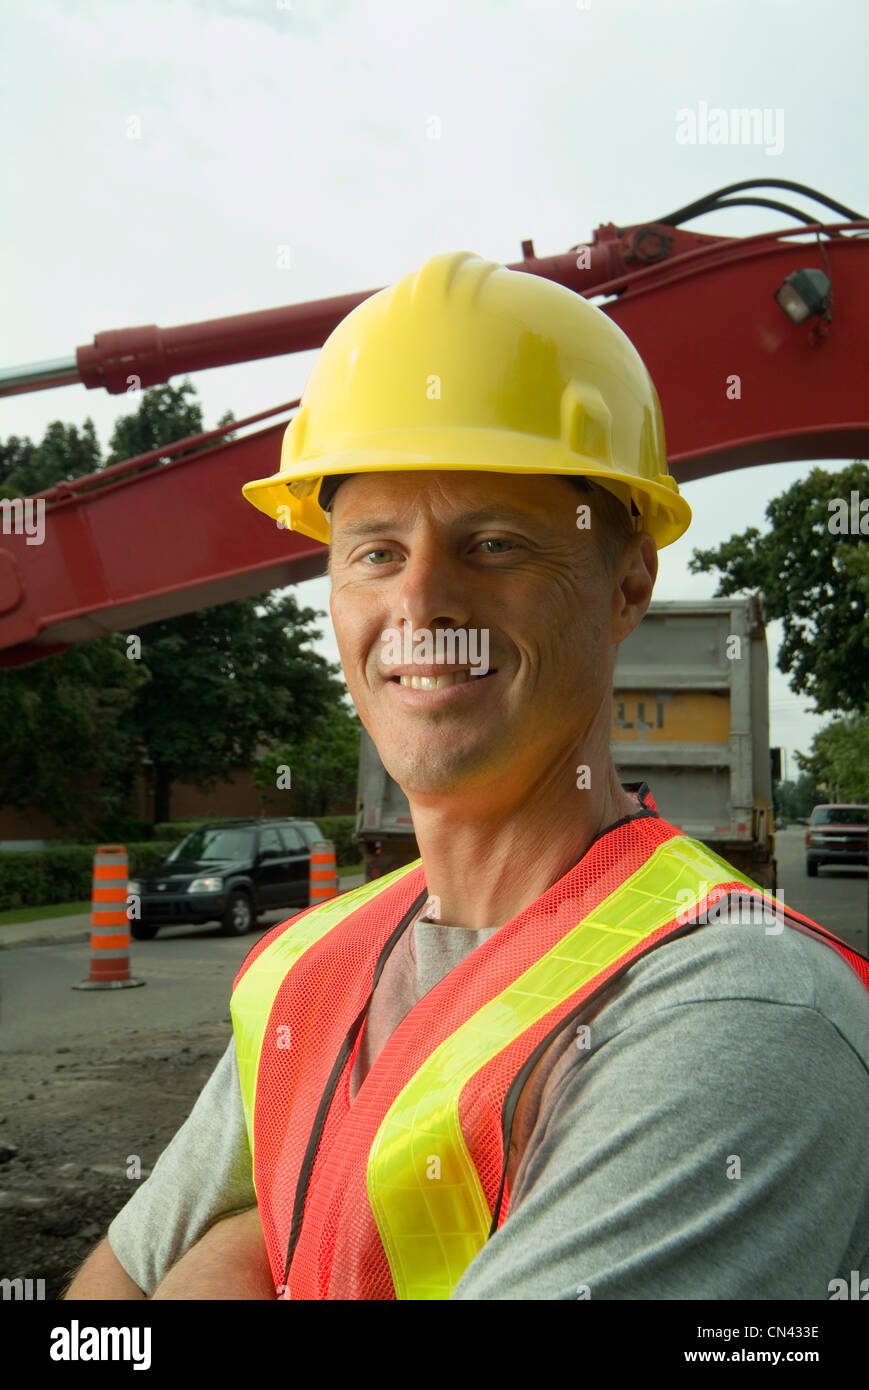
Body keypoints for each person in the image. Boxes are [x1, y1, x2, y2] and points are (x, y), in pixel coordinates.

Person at [65, 250, 869, 1301]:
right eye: (375, 551)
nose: (422, 604)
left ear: (627, 581)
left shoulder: (744, 1011)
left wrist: (228, 1258)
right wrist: (240, 1243)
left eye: (491, 543)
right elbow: (108, 1301)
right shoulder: (306, 970)